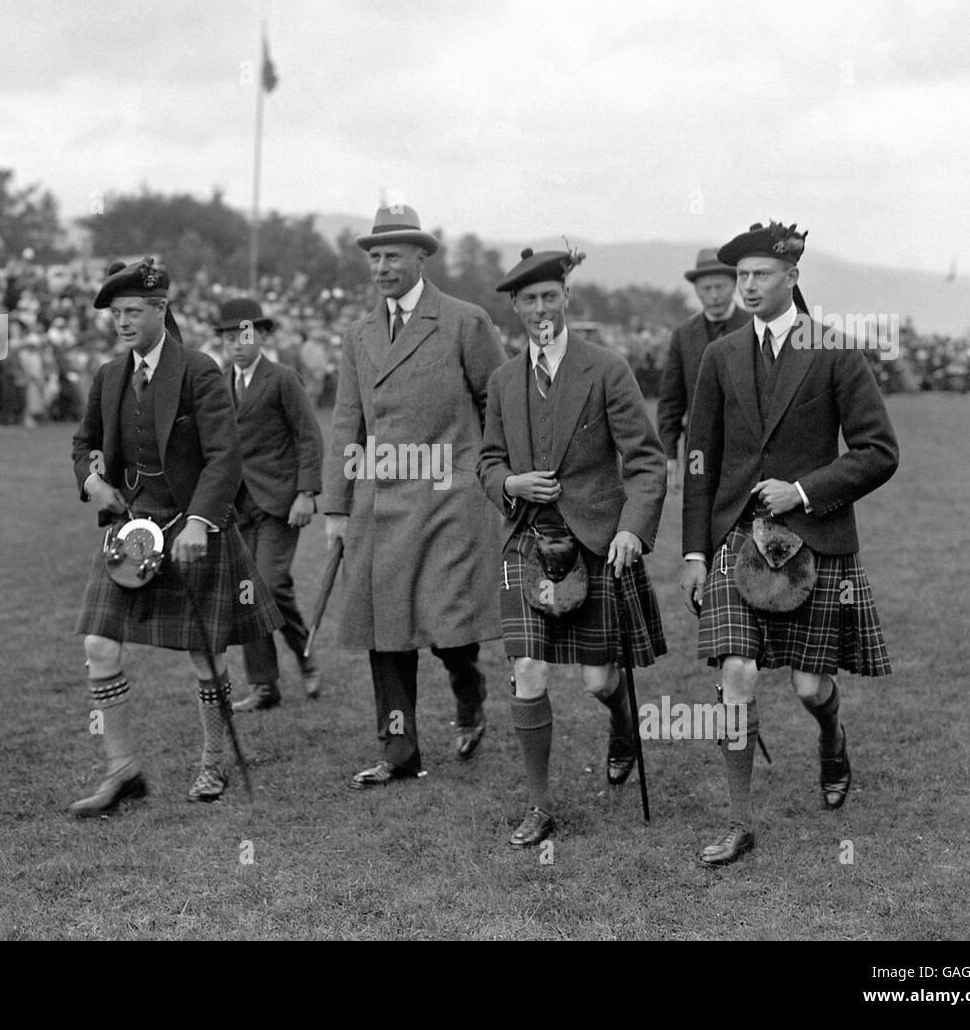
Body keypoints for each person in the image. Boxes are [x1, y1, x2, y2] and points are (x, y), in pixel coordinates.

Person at [681, 221, 898, 866]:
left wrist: (803, 491)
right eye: (740, 276)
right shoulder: (719, 357)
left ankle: (831, 736)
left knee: (808, 688)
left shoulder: (833, 351)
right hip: (733, 539)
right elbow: (700, 459)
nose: (746, 287)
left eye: (759, 276)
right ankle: (738, 821)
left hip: (814, 540)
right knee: (738, 672)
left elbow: (879, 452)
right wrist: (695, 552)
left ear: (793, 277)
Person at [69, 258, 282, 815]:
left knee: (204, 655)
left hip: (191, 525)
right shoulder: (110, 376)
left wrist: (197, 522)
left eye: (132, 312)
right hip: (131, 529)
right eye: (116, 314)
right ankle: (122, 771)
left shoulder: (199, 370)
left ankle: (214, 761)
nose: (122, 323)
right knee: (97, 644)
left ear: (161, 309)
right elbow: (85, 443)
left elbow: (224, 457)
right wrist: (92, 479)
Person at [479, 247, 668, 846]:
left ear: (567, 299)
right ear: (514, 307)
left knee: (597, 681)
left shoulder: (607, 368)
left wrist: (632, 530)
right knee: (527, 669)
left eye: (549, 297)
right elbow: (486, 461)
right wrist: (509, 482)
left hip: (595, 540)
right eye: (528, 300)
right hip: (527, 544)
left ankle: (623, 725)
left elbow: (645, 461)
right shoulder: (504, 381)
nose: (540, 309)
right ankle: (539, 806)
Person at [322, 205, 506, 789]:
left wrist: (488, 475)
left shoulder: (463, 321)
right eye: (374, 257)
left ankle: (469, 696)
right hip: (380, 501)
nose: (382, 267)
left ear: (421, 258)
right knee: (386, 632)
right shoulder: (359, 333)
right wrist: (335, 506)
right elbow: (347, 417)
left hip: (450, 497)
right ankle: (399, 751)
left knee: (448, 627)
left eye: (393, 256)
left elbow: (496, 404)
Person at [214, 297, 326, 710]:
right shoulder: (220, 383)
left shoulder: (282, 379)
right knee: (248, 591)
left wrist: (307, 493)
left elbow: (308, 436)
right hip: (237, 506)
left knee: (270, 584)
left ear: (262, 336)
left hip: (281, 502)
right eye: (229, 337)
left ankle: (305, 655)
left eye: (244, 335)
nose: (237, 344)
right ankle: (264, 685)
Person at [658, 249, 751, 489]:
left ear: (735, 285)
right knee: (697, 508)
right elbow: (671, 401)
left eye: (720, 287)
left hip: (746, 450)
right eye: (706, 289)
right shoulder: (683, 334)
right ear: (697, 290)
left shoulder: (754, 327)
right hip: (697, 450)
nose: (714, 296)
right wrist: (669, 455)